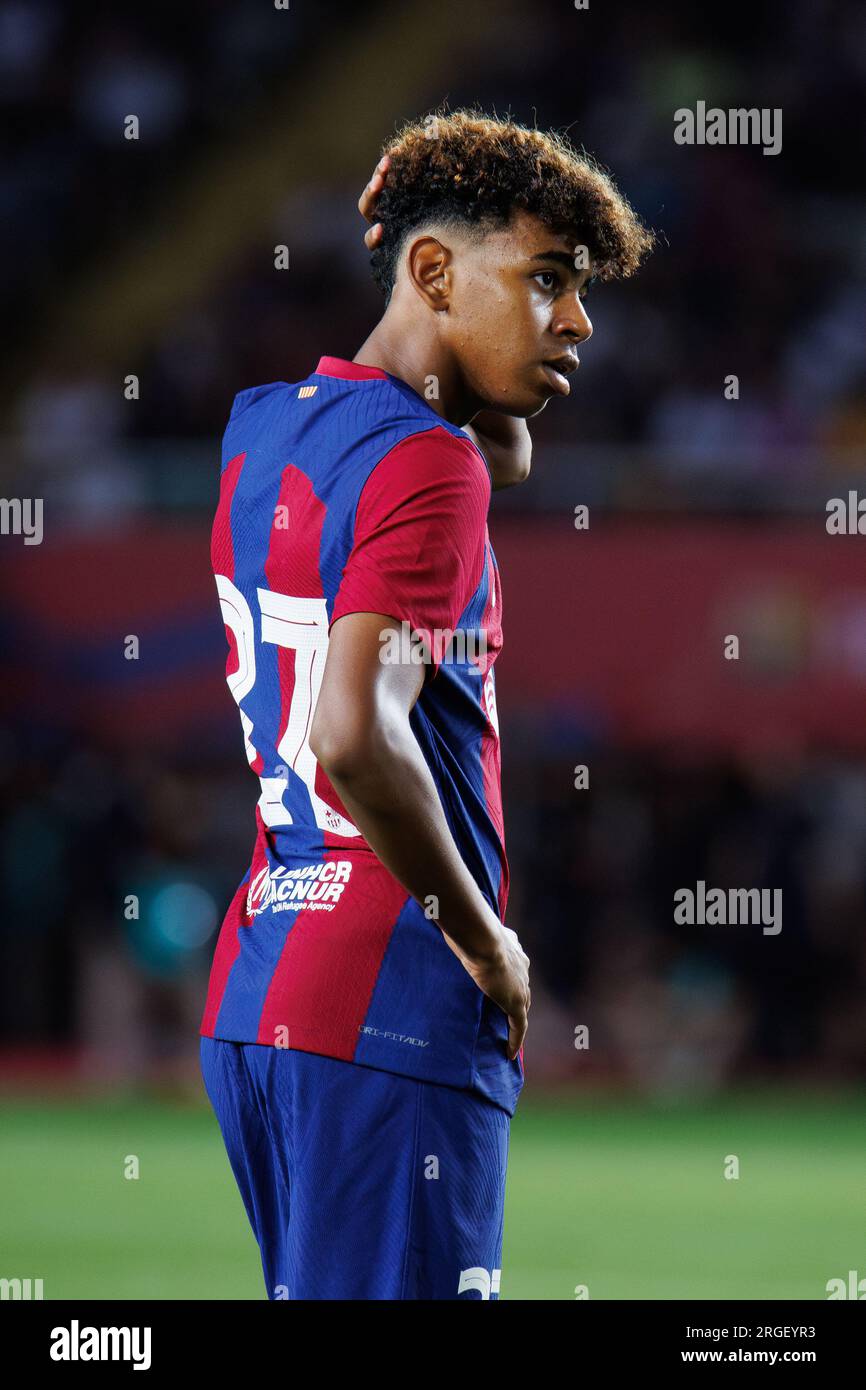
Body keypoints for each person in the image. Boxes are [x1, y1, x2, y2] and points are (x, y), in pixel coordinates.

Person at [199, 108, 653, 1300]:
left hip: (260, 988)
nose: (577, 318)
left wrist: (434, 249)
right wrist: (482, 938)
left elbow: (501, 448)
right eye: (546, 279)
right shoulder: (432, 466)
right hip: (392, 996)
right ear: (434, 272)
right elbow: (354, 730)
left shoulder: (266, 429)